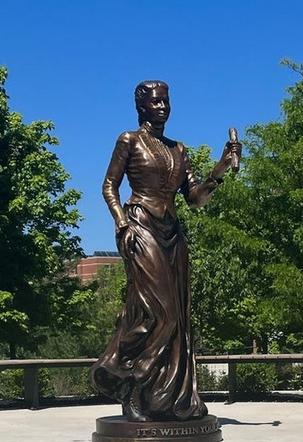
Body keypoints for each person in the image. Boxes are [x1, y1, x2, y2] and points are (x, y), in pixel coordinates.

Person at [89, 80, 240, 422]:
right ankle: (130, 380)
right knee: (161, 313)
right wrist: (120, 223)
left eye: (166, 102)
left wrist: (221, 167)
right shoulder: (129, 140)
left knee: (178, 318)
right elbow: (108, 186)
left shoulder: (178, 150)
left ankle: (163, 399)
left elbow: (195, 198)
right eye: (156, 102)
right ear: (142, 107)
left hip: (172, 233)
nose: (162, 107)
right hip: (140, 225)